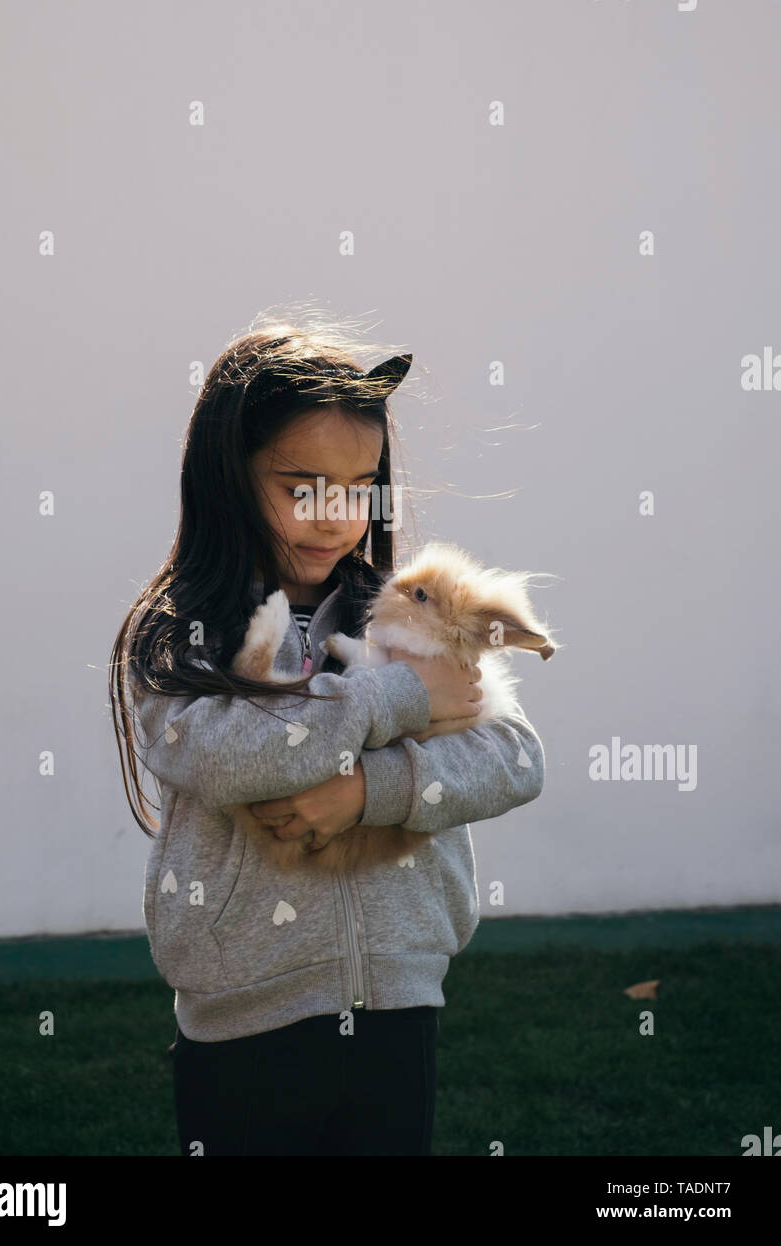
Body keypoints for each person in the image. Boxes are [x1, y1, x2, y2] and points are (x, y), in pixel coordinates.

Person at [108, 311, 546, 1155]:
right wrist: (398, 699)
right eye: (300, 486)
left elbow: (514, 757)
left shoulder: (413, 608)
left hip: (398, 998)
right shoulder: (180, 633)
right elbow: (227, 754)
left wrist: (367, 792)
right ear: (229, 475)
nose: (333, 516)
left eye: (358, 487)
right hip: (243, 1024)